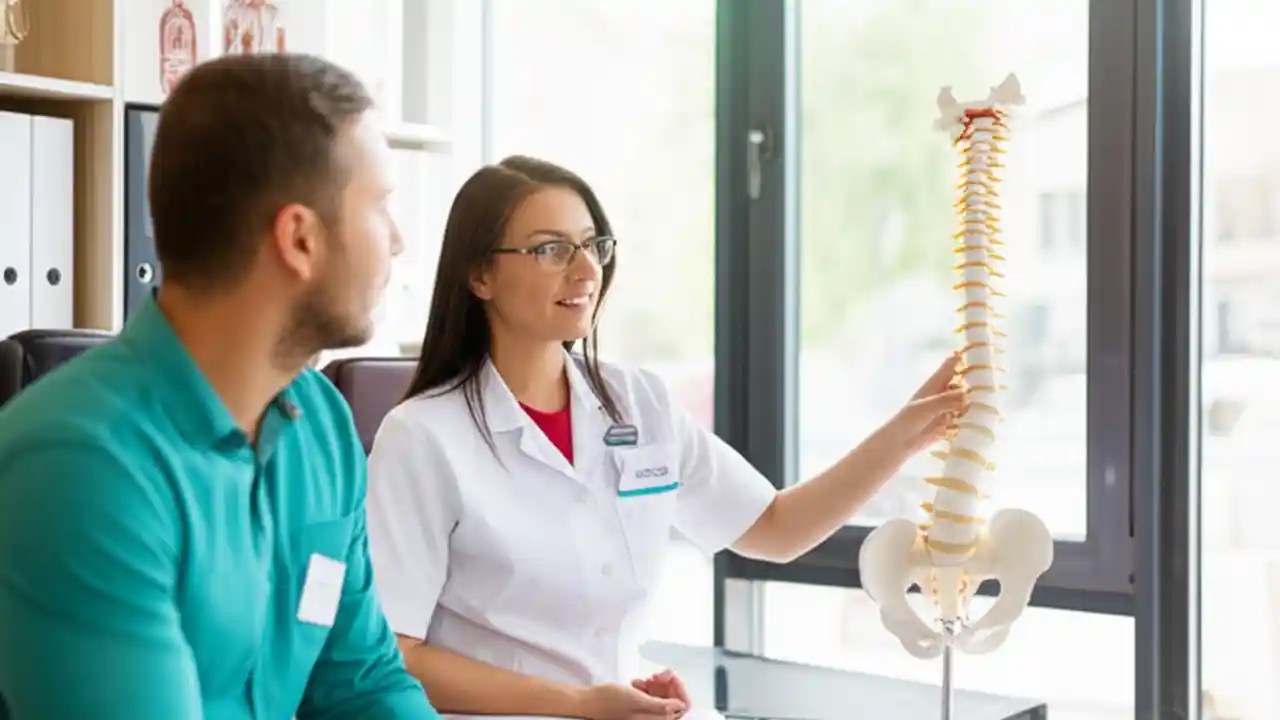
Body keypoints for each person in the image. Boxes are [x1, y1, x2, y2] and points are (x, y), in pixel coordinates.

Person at [365, 156, 966, 719]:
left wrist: (908, 432)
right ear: (479, 276)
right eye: (550, 250)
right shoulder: (423, 437)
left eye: (591, 244)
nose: (584, 270)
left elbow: (776, 529)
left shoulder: (638, 402)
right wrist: (577, 702)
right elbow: (397, 654)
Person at [0, 54, 438, 720]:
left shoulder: (320, 422)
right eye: (379, 207)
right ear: (299, 238)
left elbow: (365, 683)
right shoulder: (80, 466)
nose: (399, 242)